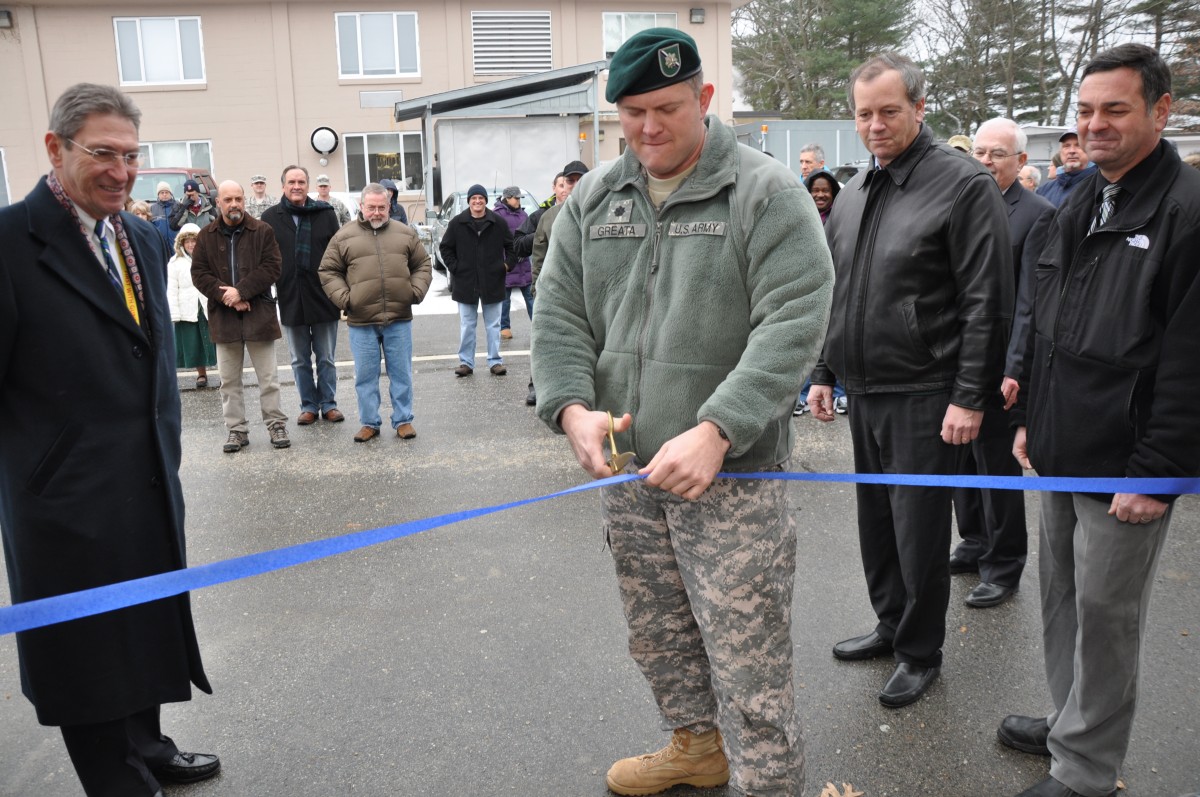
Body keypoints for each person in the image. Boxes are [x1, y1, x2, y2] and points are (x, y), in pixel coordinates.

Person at [531, 29, 834, 797]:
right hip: (633, 474)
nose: (647, 128)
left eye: (666, 108)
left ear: (704, 99)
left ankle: (771, 785)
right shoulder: (596, 198)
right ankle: (696, 748)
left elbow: (795, 318)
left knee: (748, 656)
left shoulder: (765, 192)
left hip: (731, 477)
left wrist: (720, 426)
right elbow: (559, 313)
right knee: (660, 633)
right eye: (631, 113)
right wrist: (570, 409)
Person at [0, 82, 219, 797]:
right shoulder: (10, 244)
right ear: (55, 149)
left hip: (148, 476)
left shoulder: (141, 236)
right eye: (103, 153)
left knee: (145, 621)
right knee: (86, 649)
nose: (123, 172)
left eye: (132, 155)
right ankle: (118, 778)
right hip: (64, 499)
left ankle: (147, 744)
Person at [1000, 44, 1200, 797]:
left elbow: (1189, 361)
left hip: (1129, 463)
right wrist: (1033, 421)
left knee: (1108, 615)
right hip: (1061, 444)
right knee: (1062, 598)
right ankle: (1069, 721)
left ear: (1160, 110)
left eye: (1115, 109)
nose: (1095, 124)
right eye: (1085, 111)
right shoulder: (1079, 199)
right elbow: (1051, 325)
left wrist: (1158, 470)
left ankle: (1085, 772)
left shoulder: (1186, 212)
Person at [808, 51, 1013, 708]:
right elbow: (836, 291)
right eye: (863, 113)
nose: (875, 124)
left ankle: (921, 652)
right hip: (864, 389)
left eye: (888, 111)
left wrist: (969, 395)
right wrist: (823, 371)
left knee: (921, 528)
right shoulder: (858, 189)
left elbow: (988, 298)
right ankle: (891, 621)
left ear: (920, 109)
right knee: (877, 522)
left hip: (928, 391)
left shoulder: (962, 185)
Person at [948, 118, 1055, 608]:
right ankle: (973, 541)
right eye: (981, 152)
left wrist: (1015, 368)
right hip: (956, 358)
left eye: (997, 154)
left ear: (1020, 161)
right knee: (960, 460)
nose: (986, 161)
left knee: (995, 465)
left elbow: (1030, 303)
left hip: (1000, 364)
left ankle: (1004, 565)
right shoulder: (965, 202)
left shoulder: (1038, 215)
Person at [319, 183, 432, 442]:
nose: (377, 212)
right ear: (361, 206)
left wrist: (414, 292)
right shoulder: (343, 236)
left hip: (398, 318)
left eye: (382, 207)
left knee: (401, 373)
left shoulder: (405, 234)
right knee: (366, 377)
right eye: (371, 207)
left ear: (389, 206)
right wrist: (346, 299)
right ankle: (369, 422)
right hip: (361, 320)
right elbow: (328, 271)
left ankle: (403, 420)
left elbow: (423, 264)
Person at [190, 180, 290, 452]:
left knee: (268, 378)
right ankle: (236, 430)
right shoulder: (206, 235)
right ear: (218, 202)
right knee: (229, 380)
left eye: (238, 199)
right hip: (224, 318)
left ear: (244, 200)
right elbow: (199, 274)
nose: (234, 204)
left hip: (259, 314)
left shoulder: (262, 230)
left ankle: (276, 425)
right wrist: (229, 297)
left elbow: (272, 267)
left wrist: (243, 292)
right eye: (228, 199)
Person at [262, 165, 345, 426]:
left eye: (301, 181)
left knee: (326, 358)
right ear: (283, 186)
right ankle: (308, 405)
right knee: (299, 359)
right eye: (291, 182)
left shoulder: (326, 213)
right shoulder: (270, 217)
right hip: (290, 296)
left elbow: (339, 255)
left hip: (323, 296)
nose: (296, 186)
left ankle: (329, 403)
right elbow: (265, 258)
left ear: (308, 185)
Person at [439, 183, 515, 377]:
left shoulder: (498, 222)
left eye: (481, 198)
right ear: (469, 202)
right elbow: (445, 248)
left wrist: (505, 266)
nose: (477, 201)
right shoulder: (457, 223)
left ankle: (495, 361)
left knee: (493, 325)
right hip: (466, 282)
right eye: (474, 198)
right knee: (467, 325)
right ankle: (466, 362)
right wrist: (455, 268)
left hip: (492, 281)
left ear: (485, 201)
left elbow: (511, 247)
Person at [793, 169, 846, 417]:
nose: (821, 195)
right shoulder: (798, 217)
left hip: (838, 289)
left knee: (836, 339)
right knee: (808, 342)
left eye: (826, 190)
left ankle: (840, 393)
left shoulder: (844, 218)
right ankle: (803, 395)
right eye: (815, 190)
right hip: (807, 289)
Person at [167, 222, 216, 389]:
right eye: (186, 241)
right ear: (181, 244)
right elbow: (171, 290)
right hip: (187, 307)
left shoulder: (210, 259)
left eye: (193, 241)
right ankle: (201, 374)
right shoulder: (174, 263)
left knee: (216, 341)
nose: (190, 244)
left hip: (208, 305)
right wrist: (174, 312)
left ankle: (225, 373)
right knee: (193, 343)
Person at [493, 186, 533, 341]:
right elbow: (494, 241)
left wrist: (526, 251)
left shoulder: (523, 214)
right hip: (507, 263)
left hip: (524, 264)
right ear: (507, 198)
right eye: (516, 198)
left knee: (530, 296)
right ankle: (505, 328)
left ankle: (537, 326)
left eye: (519, 198)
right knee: (505, 298)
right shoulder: (497, 215)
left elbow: (530, 236)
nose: (518, 201)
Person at [1036, 130, 1097, 207]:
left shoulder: (1100, 187)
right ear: (1060, 152)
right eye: (1066, 146)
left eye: (1078, 145)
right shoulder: (1044, 190)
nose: (1072, 151)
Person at [150, 181, 179, 245]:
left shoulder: (178, 206)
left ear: (170, 194)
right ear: (158, 194)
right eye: (162, 192)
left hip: (176, 244)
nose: (164, 194)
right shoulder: (152, 208)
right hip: (160, 244)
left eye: (166, 192)